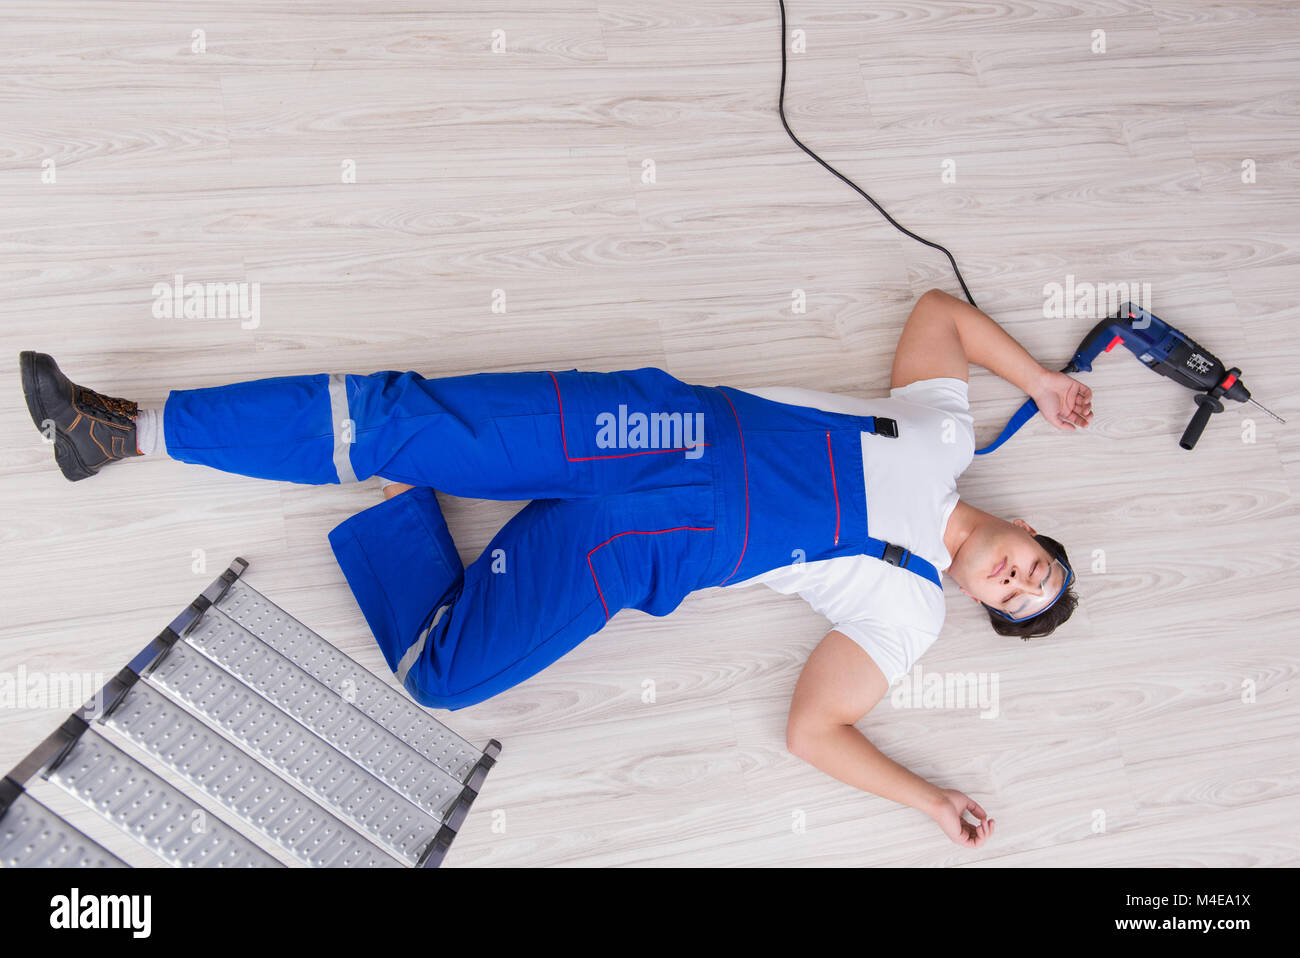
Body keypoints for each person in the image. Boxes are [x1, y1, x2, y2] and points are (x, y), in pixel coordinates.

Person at [18, 287, 1091, 848]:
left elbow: (813, 730)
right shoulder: (941, 431)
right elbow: (936, 315)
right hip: (654, 430)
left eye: (1021, 604)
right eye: (1040, 569)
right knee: (399, 414)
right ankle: (127, 430)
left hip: (629, 554)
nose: (1021, 584)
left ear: (978, 606)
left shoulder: (906, 622)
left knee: (441, 675)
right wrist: (1037, 379)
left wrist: (926, 799)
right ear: (1031, 531)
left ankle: (404, 507)